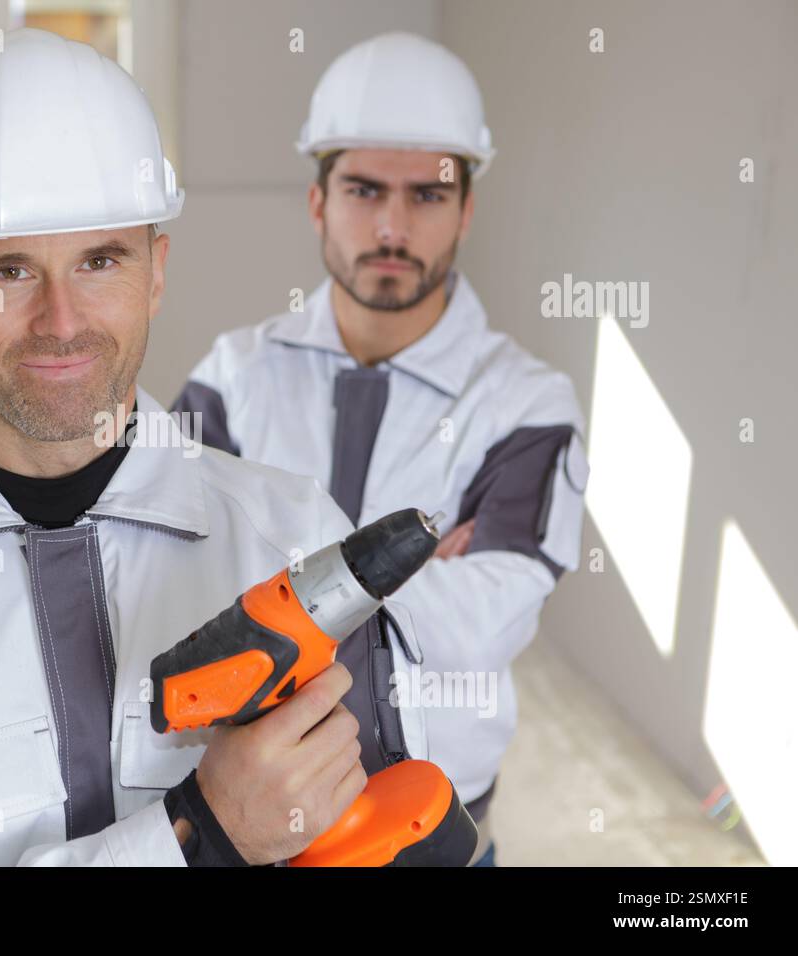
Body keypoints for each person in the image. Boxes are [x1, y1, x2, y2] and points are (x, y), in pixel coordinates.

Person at [0, 28, 431, 867]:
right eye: (9, 271)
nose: (61, 320)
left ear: (155, 272)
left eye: (100, 260)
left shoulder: (297, 543)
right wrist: (200, 834)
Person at [171, 32, 590, 867]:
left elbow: (481, 631)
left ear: (466, 208)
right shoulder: (233, 377)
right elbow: (180, 599)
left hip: (434, 836)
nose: (393, 226)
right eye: (364, 189)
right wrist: (417, 576)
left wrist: (282, 592)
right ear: (318, 199)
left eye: (427, 196)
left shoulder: (527, 405)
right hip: (260, 833)